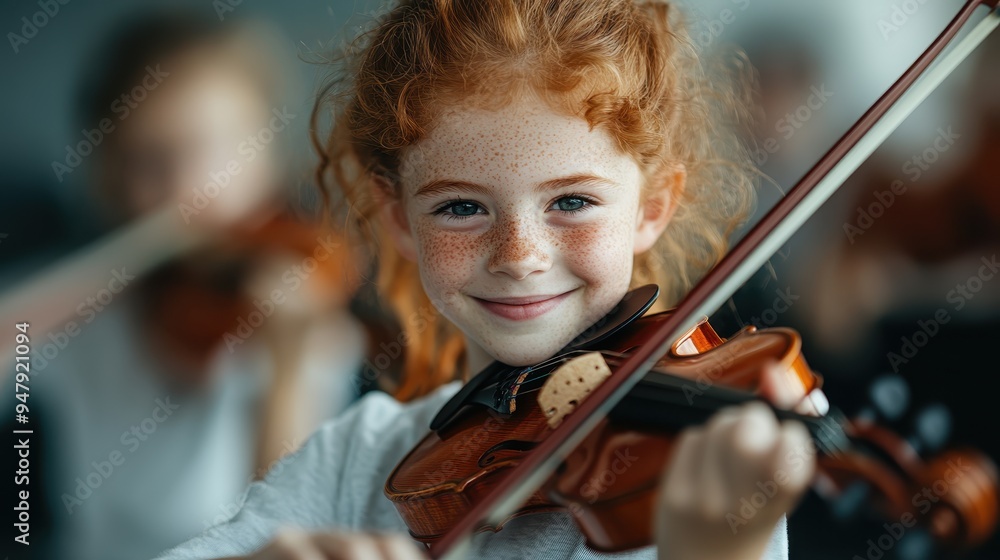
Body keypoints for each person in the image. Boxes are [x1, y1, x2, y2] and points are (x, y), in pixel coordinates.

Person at [153, 1, 824, 558]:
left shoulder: (698, 479)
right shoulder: (360, 457)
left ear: (651, 207)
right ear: (396, 217)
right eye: (462, 208)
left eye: (571, 202)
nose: (520, 255)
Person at [18, 10, 366, 560]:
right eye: (149, 161)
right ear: (108, 175)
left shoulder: (307, 302)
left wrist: (288, 372)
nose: (188, 191)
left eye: (214, 151)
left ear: (268, 154)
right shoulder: (84, 320)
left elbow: (284, 535)